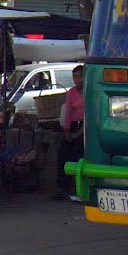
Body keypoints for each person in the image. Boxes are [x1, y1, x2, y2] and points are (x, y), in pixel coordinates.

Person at [54, 64, 86, 199]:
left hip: (86, 127)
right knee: (63, 155)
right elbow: (68, 112)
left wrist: (79, 133)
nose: (77, 80)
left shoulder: (90, 91)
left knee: (78, 154)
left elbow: (90, 113)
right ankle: (62, 188)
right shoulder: (72, 92)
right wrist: (67, 131)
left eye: (80, 76)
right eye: (75, 77)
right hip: (73, 125)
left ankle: (79, 189)